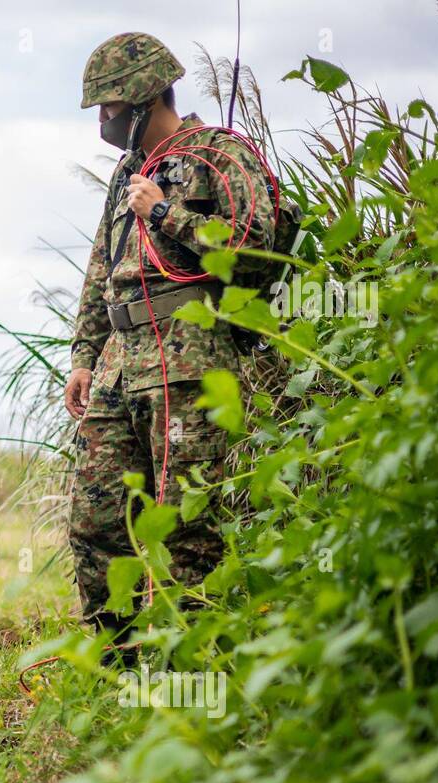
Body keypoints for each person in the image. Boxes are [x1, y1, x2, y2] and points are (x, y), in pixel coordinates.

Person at [64, 32, 276, 642]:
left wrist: (166, 213)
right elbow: (102, 270)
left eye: (109, 108)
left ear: (144, 99)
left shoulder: (221, 154)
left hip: (188, 357)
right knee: (96, 519)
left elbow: (257, 251)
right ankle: (118, 660)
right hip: (118, 362)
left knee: (187, 523)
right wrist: (83, 357)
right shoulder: (126, 174)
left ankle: (193, 663)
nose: (102, 122)